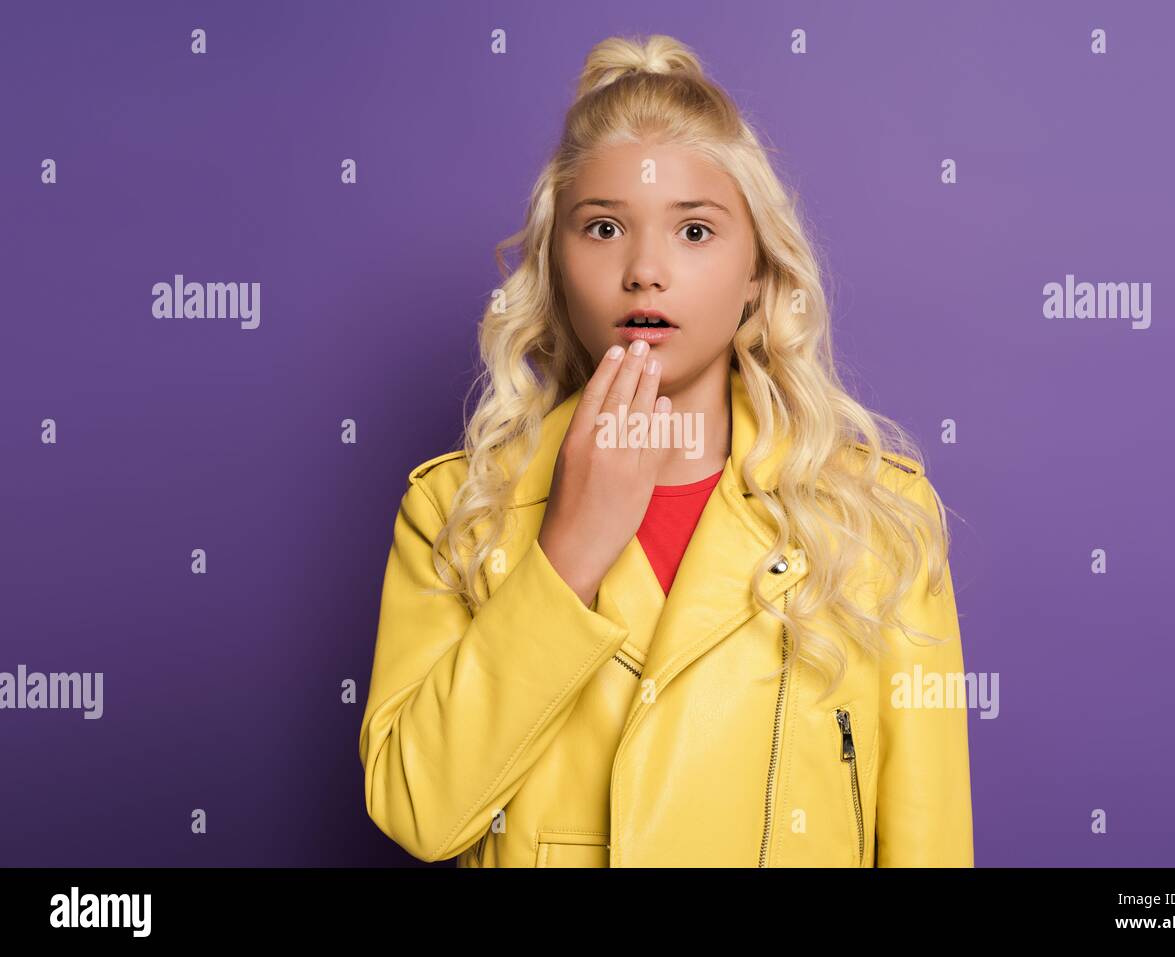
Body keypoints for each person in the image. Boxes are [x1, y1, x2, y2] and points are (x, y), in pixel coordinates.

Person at [358, 33, 973, 867]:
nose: (645, 270)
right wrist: (566, 555)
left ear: (757, 267)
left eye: (694, 230)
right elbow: (418, 809)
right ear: (554, 261)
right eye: (604, 227)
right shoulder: (455, 513)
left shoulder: (881, 520)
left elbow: (928, 841)